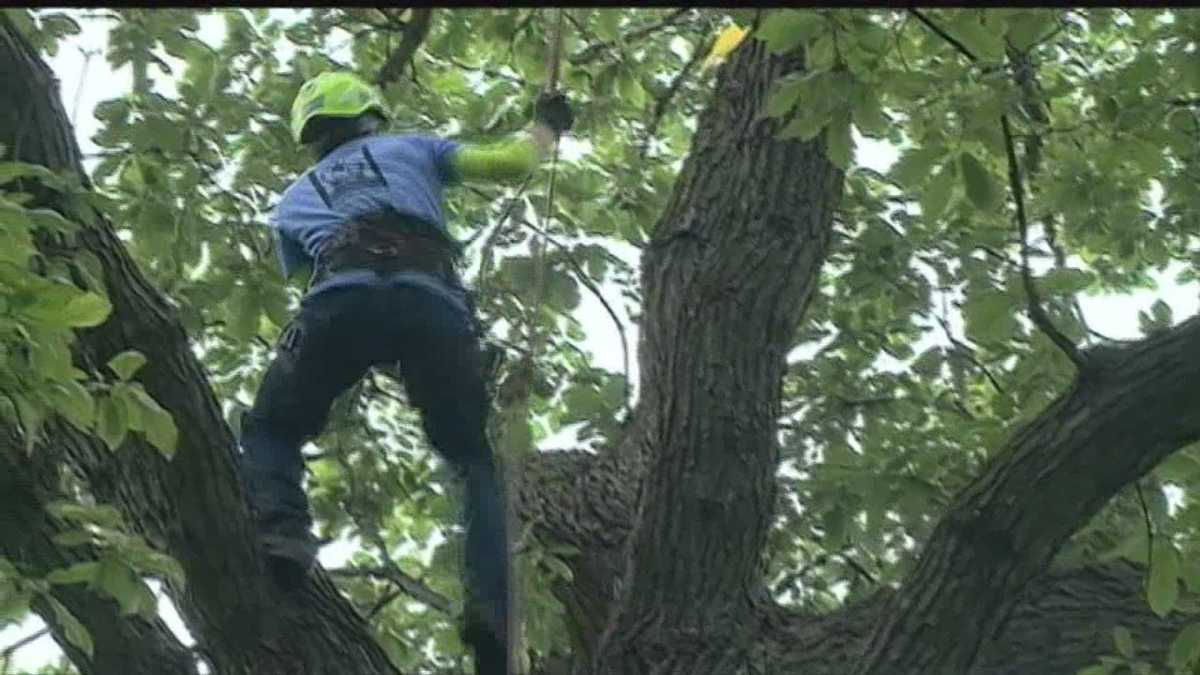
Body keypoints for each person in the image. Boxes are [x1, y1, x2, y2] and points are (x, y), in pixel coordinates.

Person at [238, 70, 573, 673]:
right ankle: (493, 611)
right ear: (371, 115)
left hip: (339, 298)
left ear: (311, 137)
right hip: (432, 302)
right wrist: (544, 126)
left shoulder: (293, 198)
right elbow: (510, 162)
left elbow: (303, 278)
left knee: (272, 430)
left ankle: (282, 533)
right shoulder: (413, 148)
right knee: (473, 462)